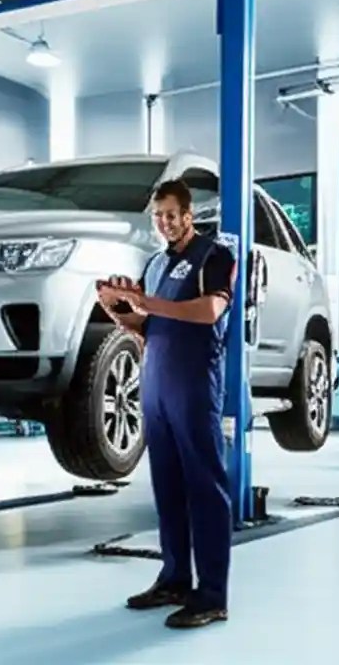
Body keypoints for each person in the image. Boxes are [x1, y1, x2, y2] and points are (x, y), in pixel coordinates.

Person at [96, 177, 237, 629]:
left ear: (188, 215)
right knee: (168, 487)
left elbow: (211, 311)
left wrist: (146, 302)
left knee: (205, 488)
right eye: (158, 216)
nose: (164, 223)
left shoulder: (214, 255)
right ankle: (175, 578)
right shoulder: (155, 263)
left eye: (171, 215)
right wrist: (116, 305)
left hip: (194, 384)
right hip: (156, 384)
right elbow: (144, 325)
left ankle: (211, 595)